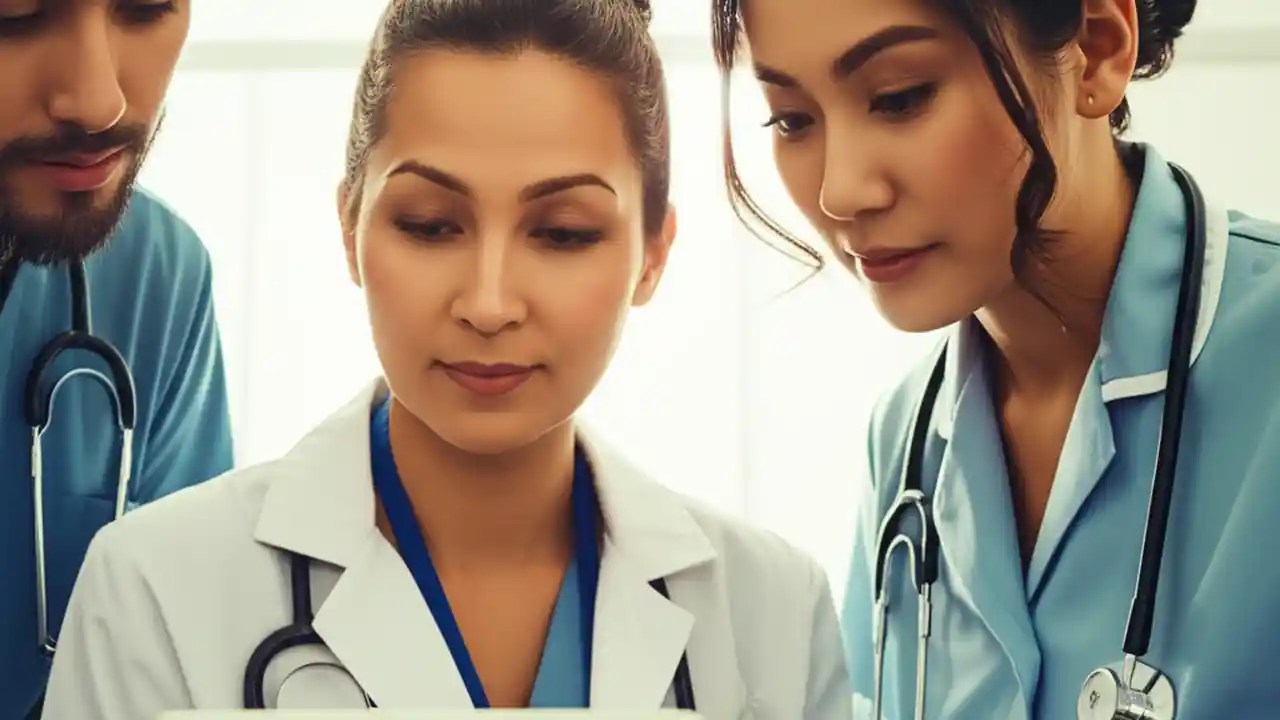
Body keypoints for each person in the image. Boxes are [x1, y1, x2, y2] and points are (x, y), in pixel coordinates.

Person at [40, 1, 852, 717]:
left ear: (652, 255)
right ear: (350, 228)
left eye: (562, 233)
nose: (489, 304)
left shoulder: (773, 613)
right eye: (430, 225)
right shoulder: (151, 590)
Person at [712, 0, 1280, 717]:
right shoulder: (906, 441)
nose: (840, 192)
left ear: (1096, 50)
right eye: (792, 119)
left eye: (900, 97)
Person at [0, 1, 233, 716]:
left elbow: (176, 665)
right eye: (13, 16)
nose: (100, 100)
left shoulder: (156, 275)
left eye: (145, 5)